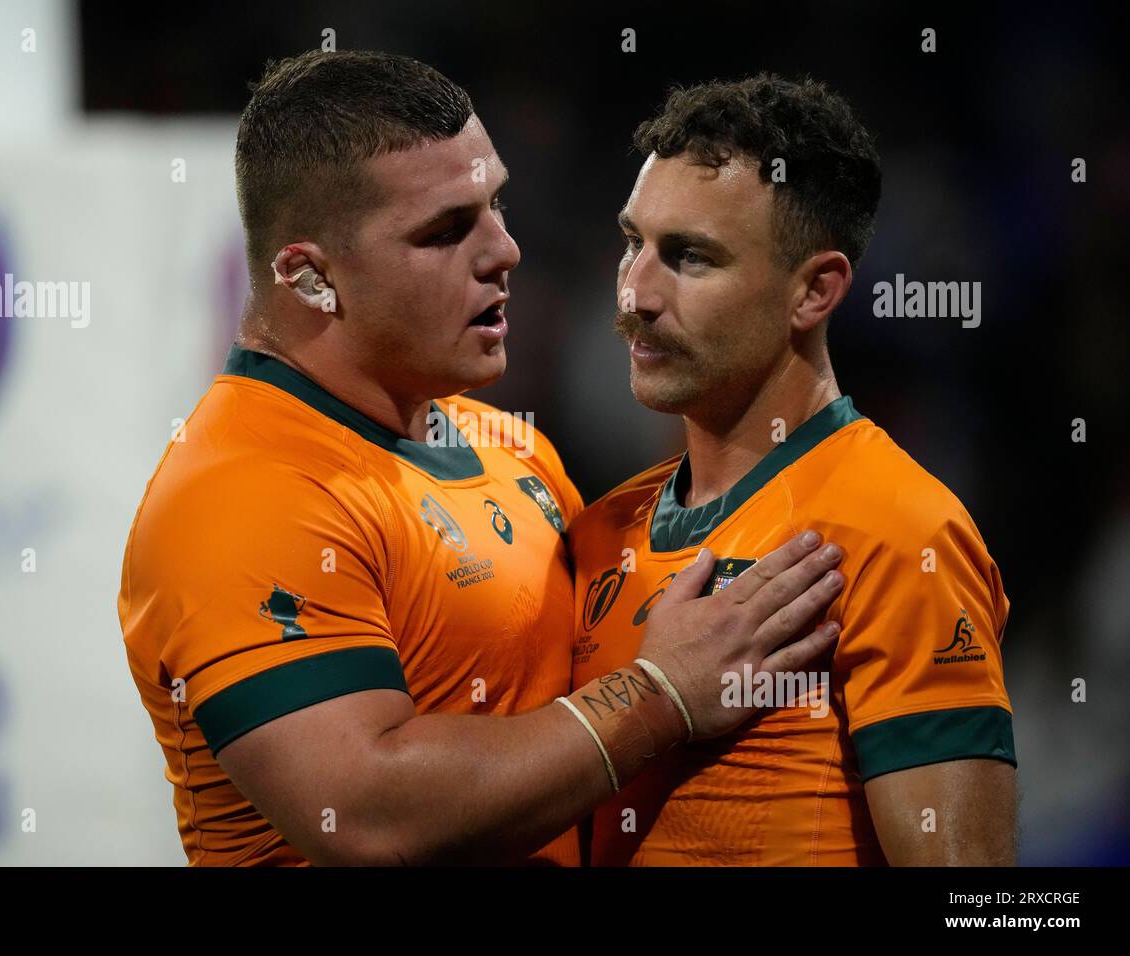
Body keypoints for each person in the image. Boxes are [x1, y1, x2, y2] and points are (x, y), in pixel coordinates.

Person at [118, 51, 845, 866]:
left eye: (494, 204)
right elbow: (365, 815)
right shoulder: (239, 496)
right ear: (311, 277)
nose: (504, 251)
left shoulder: (511, 448)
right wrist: (662, 695)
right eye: (445, 231)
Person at [570, 73, 1016, 866]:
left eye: (690, 257)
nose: (636, 292)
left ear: (814, 292)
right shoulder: (599, 530)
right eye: (633, 242)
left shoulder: (899, 530)